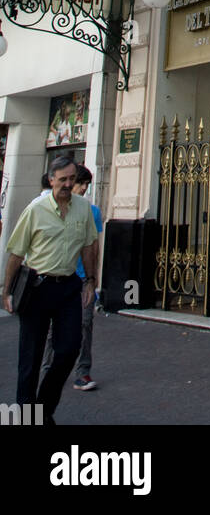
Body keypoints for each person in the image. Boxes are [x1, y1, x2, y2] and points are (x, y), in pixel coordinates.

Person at [2, 154, 98, 424]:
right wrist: (6, 291)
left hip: (68, 285)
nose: (68, 184)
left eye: (72, 179)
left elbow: (89, 245)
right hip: (37, 286)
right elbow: (16, 254)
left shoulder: (83, 208)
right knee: (30, 358)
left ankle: (42, 410)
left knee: (69, 349)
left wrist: (91, 280)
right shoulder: (35, 209)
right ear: (51, 179)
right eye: (63, 179)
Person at [41, 164, 103, 392]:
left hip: (81, 279)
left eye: (86, 183)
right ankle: (47, 369)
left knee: (85, 325)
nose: (83, 188)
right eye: (80, 183)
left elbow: (94, 246)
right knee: (52, 329)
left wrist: (93, 278)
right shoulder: (46, 208)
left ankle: (83, 371)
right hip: (57, 277)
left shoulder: (92, 211)